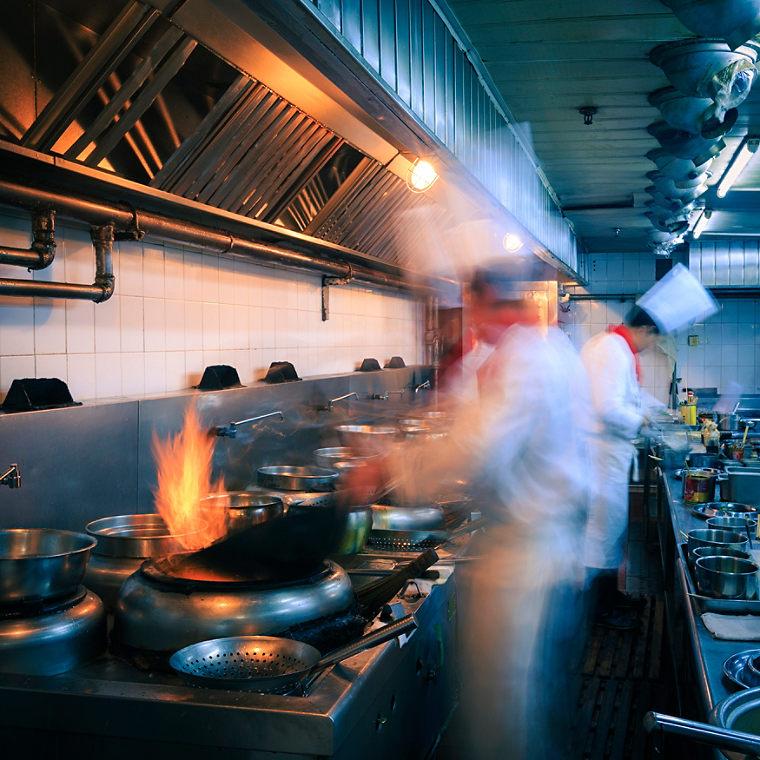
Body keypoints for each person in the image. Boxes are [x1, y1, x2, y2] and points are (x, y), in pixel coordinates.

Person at [348, 256, 595, 760]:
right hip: (542, 538)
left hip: (527, 548)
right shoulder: (546, 347)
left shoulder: (523, 358)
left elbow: (476, 448)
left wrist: (385, 469)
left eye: (471, 308)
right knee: (521, 691)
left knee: (504, 697)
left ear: (487, 301)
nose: (469, 323)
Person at [580, 306, 660, 630]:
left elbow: (631, 396)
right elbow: (609, 408)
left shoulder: (616, 346)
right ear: (645, 330)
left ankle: (611, 599)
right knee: (601, 533)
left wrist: (659, 413)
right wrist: (641, 421)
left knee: (611, 531)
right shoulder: (611, 350)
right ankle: (600, 610)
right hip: (600, 458)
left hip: (608, 457)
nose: (653, 344)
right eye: (654, 337)